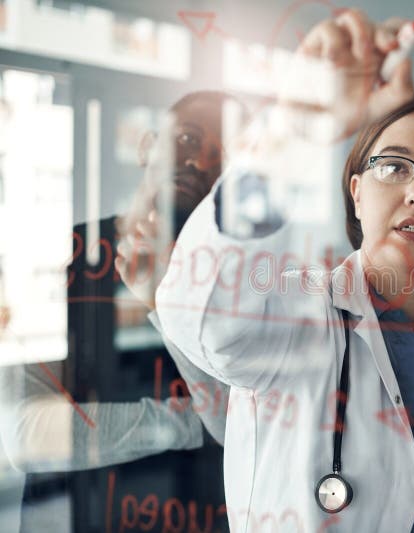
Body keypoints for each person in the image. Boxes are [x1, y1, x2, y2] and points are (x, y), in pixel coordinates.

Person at [154, 9, 414, 533]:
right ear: (357, 192)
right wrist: (297, 128)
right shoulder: (287, 321)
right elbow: (197, 311)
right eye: (393, 166)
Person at [0, 90, 240, 532]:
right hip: (74, 515)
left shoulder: (238, 278)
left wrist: (162, 307)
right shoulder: (64, 254)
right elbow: (24, 432)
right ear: (148, 145)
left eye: (222, 157)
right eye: (187, 138)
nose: (200, 163)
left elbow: (236, 425)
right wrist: (192, 423)